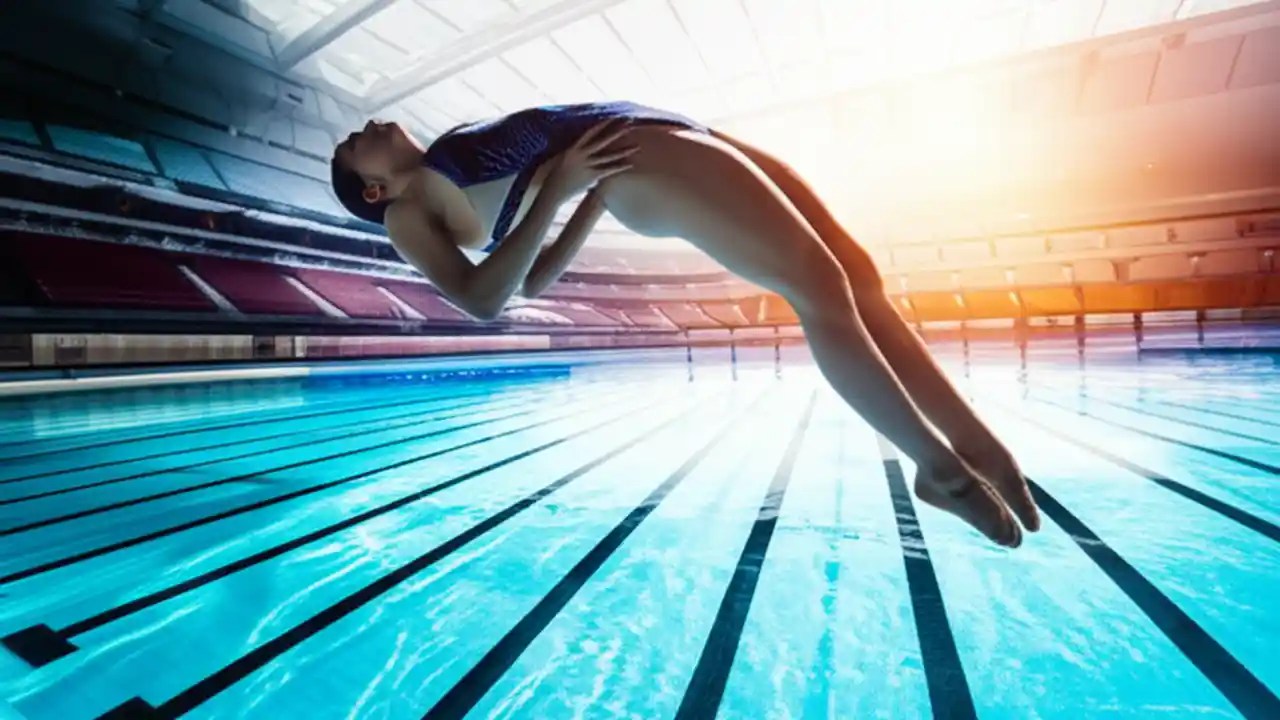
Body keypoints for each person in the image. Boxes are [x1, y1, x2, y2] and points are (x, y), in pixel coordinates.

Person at [330, 100, 1041, 547]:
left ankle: (979, 445)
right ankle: (940, 471)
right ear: (373, 189)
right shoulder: (404, 214)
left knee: (859, 279)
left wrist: (585, 197)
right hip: (648, 159)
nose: (362, 128)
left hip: (666, 133)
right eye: (352, 144)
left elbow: (537, 274)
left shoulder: (450, 146)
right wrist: (576, 185)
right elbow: (486, 299)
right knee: (819, 288)